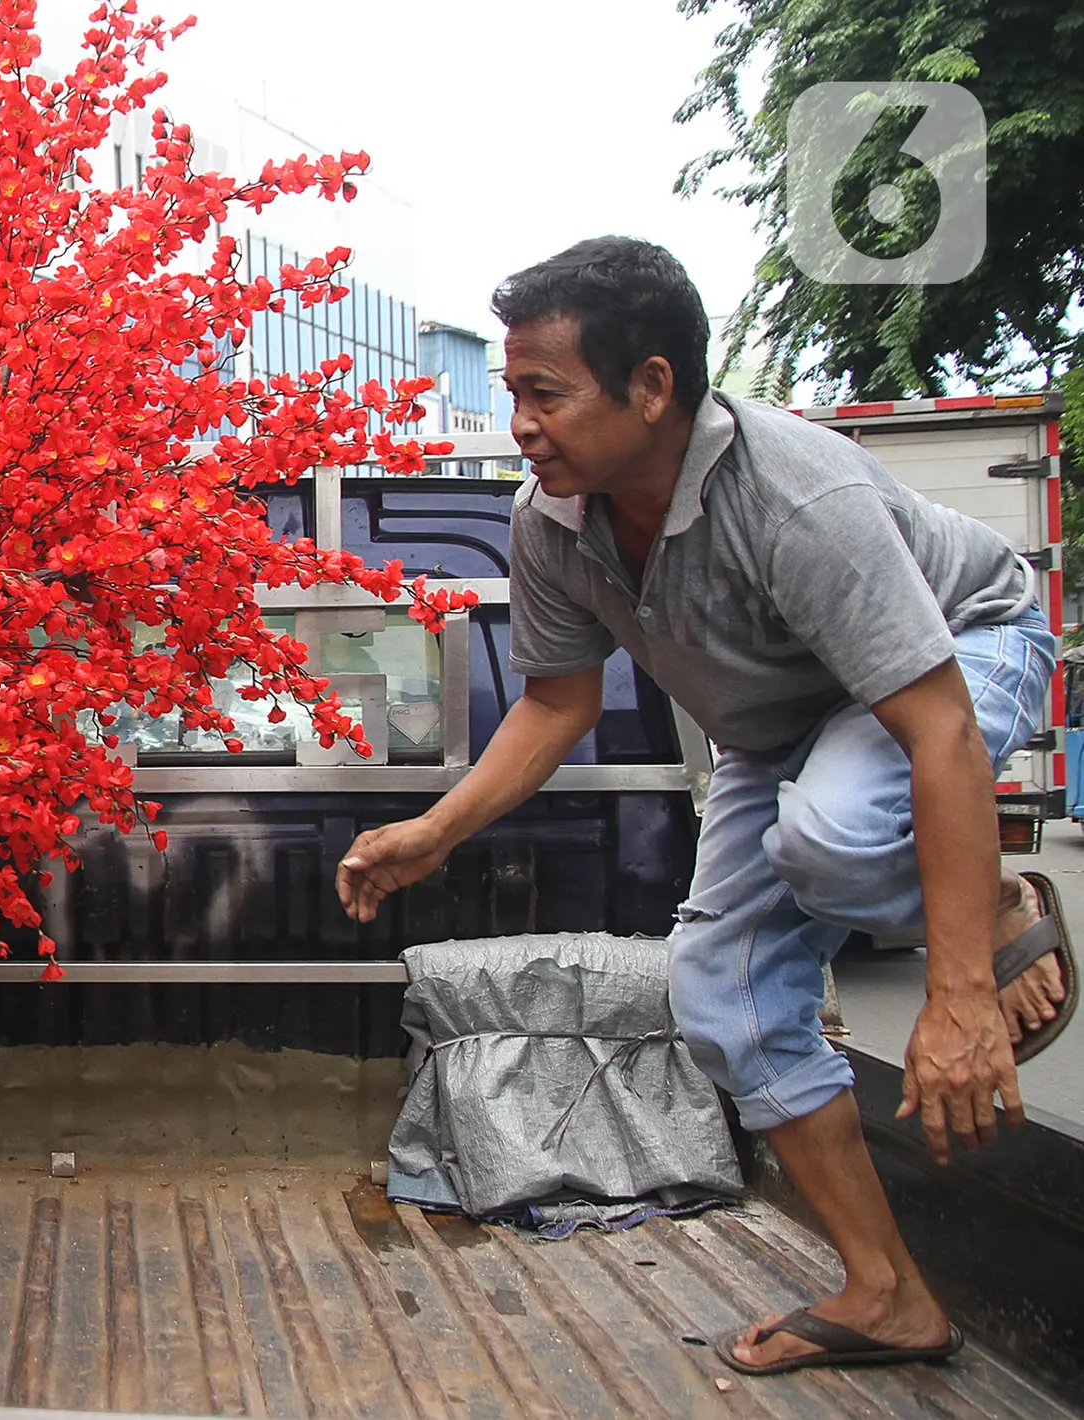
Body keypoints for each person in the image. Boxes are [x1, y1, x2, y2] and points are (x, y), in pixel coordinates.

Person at [335, 237, 1071, 1377]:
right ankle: (886, 1293)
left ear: (651, 386)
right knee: (719, 997)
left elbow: (938, 731)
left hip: (961, 652)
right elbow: (554, 705)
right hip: (781, 726)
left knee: (826, 835)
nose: (521, 423)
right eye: (510, 395)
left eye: (544, 392)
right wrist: (433, 830)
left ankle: (1000, 896)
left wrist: (958, 983)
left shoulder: (792, 496)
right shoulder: (552, 523)